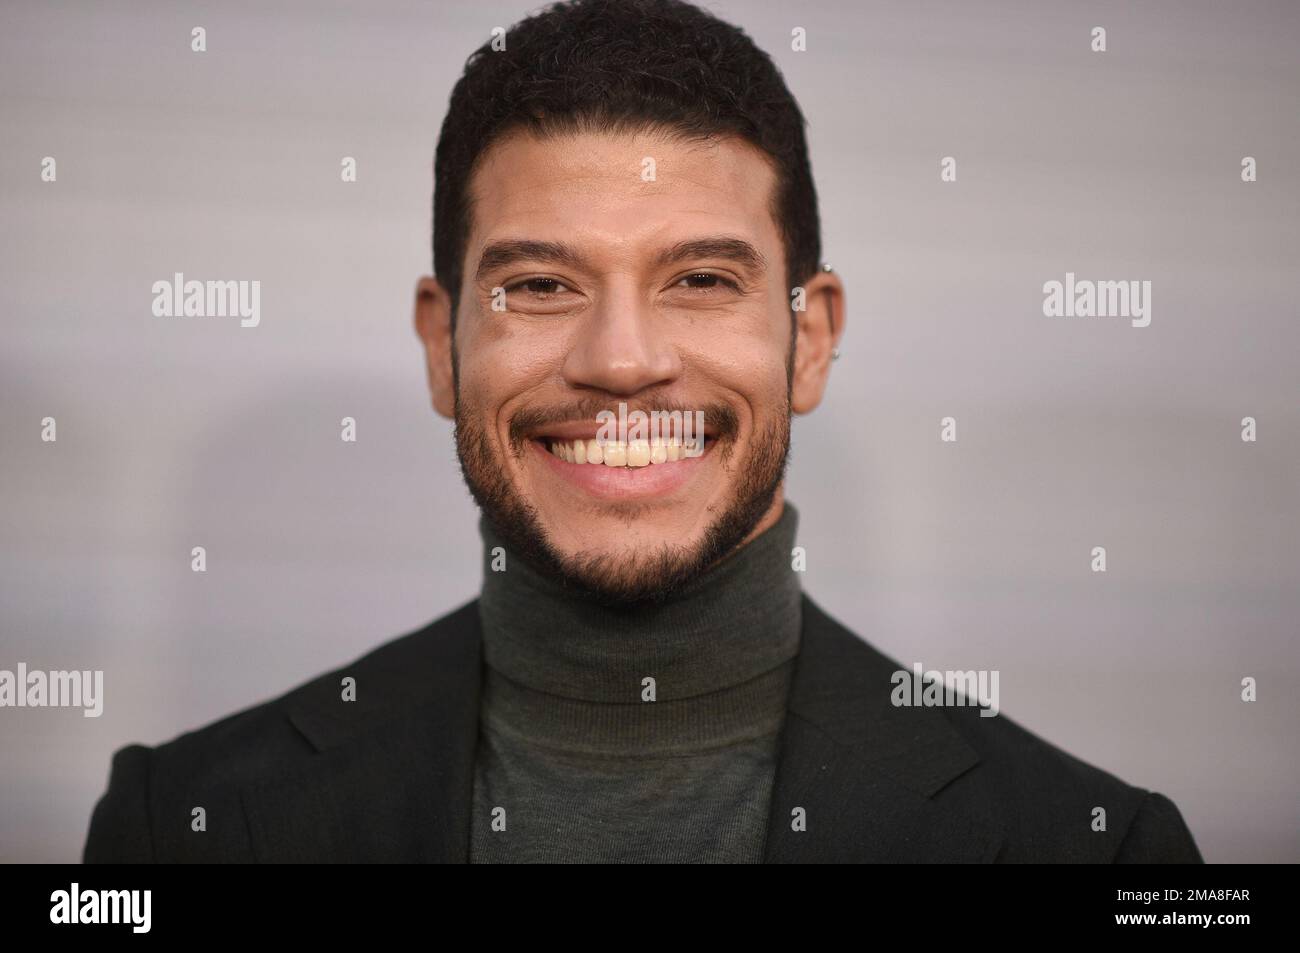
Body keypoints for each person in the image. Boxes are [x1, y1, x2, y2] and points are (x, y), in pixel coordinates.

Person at [84, 0, 1202, 863]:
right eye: (539, 283)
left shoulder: (1096, 847)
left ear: (809, 342)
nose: (621, 360)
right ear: (443, 345)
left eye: (703, 277)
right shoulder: (178, 825)